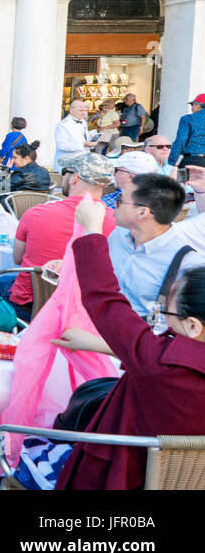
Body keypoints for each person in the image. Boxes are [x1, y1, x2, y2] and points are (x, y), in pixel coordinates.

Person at [50, 198, 205, 490]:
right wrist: (102, 345)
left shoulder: (158, 364)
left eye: (168, 314)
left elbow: (105, 299)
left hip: (123, 476)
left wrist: (93, 230)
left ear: (193, 326)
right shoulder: (160, 359)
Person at [9, 153, 115, 321]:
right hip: (85, 315)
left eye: (66, 172)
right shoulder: (118, 224)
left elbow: (17, 258)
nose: (63, 176)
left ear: (75, 178)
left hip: (31, 307)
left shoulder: (36, 213)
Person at [105, 173, 203, 318]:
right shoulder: (118, 235)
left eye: (120, 201)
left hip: (139, 337)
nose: (114, 205)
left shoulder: (187, 264)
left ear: (142, 212)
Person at [168, 92, 205, 172]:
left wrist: (170, 163)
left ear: (198, 105)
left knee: (182, 183)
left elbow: (181, 141)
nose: (192, 107)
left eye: (192, 105)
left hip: (190, 161)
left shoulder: (188, 119)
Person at [54, 99, 97, 167]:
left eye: (85, 111)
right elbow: (62, 146)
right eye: (81, 111)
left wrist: (91, 140)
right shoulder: (63, 125)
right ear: (71, 111)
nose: (84, 113)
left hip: (82, 161)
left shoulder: (83, 122)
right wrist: (83, 144)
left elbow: (81, 137)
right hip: (68, 163)